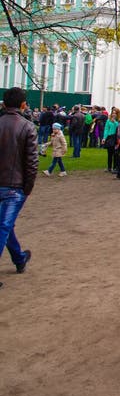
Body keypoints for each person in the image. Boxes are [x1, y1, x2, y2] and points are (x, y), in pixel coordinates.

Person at [0, 87, 37, 287]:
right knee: (3, 226)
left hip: (11, 185)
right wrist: (27, 188)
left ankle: (19, 258)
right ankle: (20, 258)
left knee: (5, 225)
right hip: (14, 187)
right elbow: (31, 163)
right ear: (23, 105)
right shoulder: (26, 127)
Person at [102, 107, 120, 172]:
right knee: (109, 153)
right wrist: (104, 138)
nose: (113, 114)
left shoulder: (119, 121)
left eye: (115, 113)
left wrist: (115, 122)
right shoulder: (108, 120)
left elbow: (119, 128)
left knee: (115, 153)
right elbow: (106, 129)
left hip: (116, 137)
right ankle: (109, 167)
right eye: (112, 113)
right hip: (110, 137)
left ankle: (115, 167)